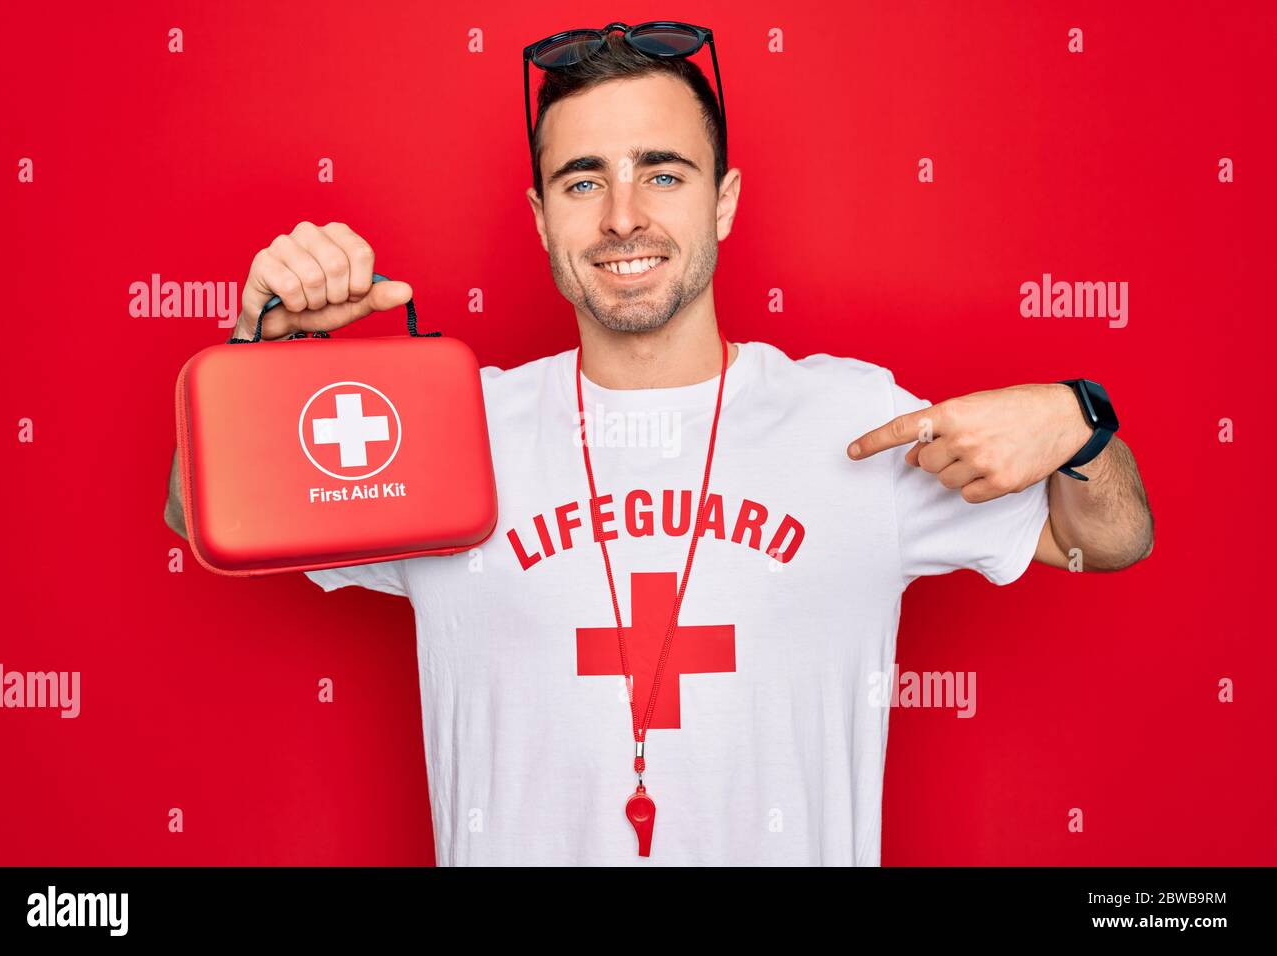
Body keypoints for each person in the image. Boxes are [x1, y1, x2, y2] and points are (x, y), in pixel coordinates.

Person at [163, 23, 1153, 866]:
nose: (624, 216)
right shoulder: (446, 425)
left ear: (721, 199)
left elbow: (1106, 538)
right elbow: (204, 514)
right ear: (541, 219)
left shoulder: (854, 418)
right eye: (581, 180)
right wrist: (266, 357)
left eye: (662, 172)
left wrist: (1079, 421)